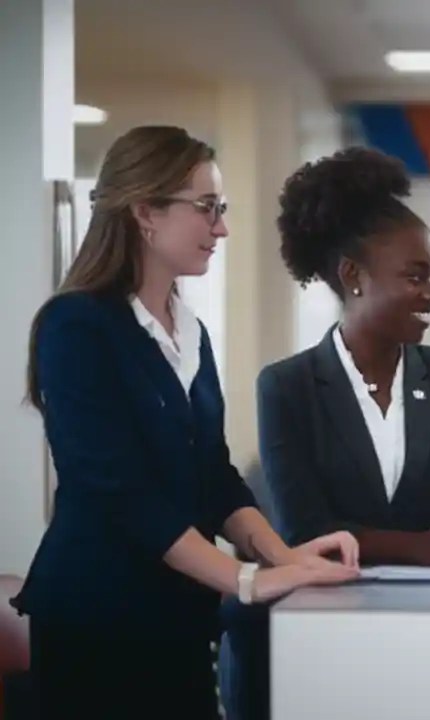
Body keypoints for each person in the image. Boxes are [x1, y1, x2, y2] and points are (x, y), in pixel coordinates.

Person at [10, 126, 358, 719]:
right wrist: (244, 579)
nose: (220, 227)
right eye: (207, 208)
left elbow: (213, 475)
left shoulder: (188, 331)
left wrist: (284, 558)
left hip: (179, 616)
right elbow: (121, 493)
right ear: (146, 212)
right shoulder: (77, 326)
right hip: (99, 618)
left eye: (220, 209)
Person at [219, 147, 430, 719]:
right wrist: (422, 546)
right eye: (415, 276)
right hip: (314, 629)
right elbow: (303, 528)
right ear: (353, 276)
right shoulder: (288, 385)